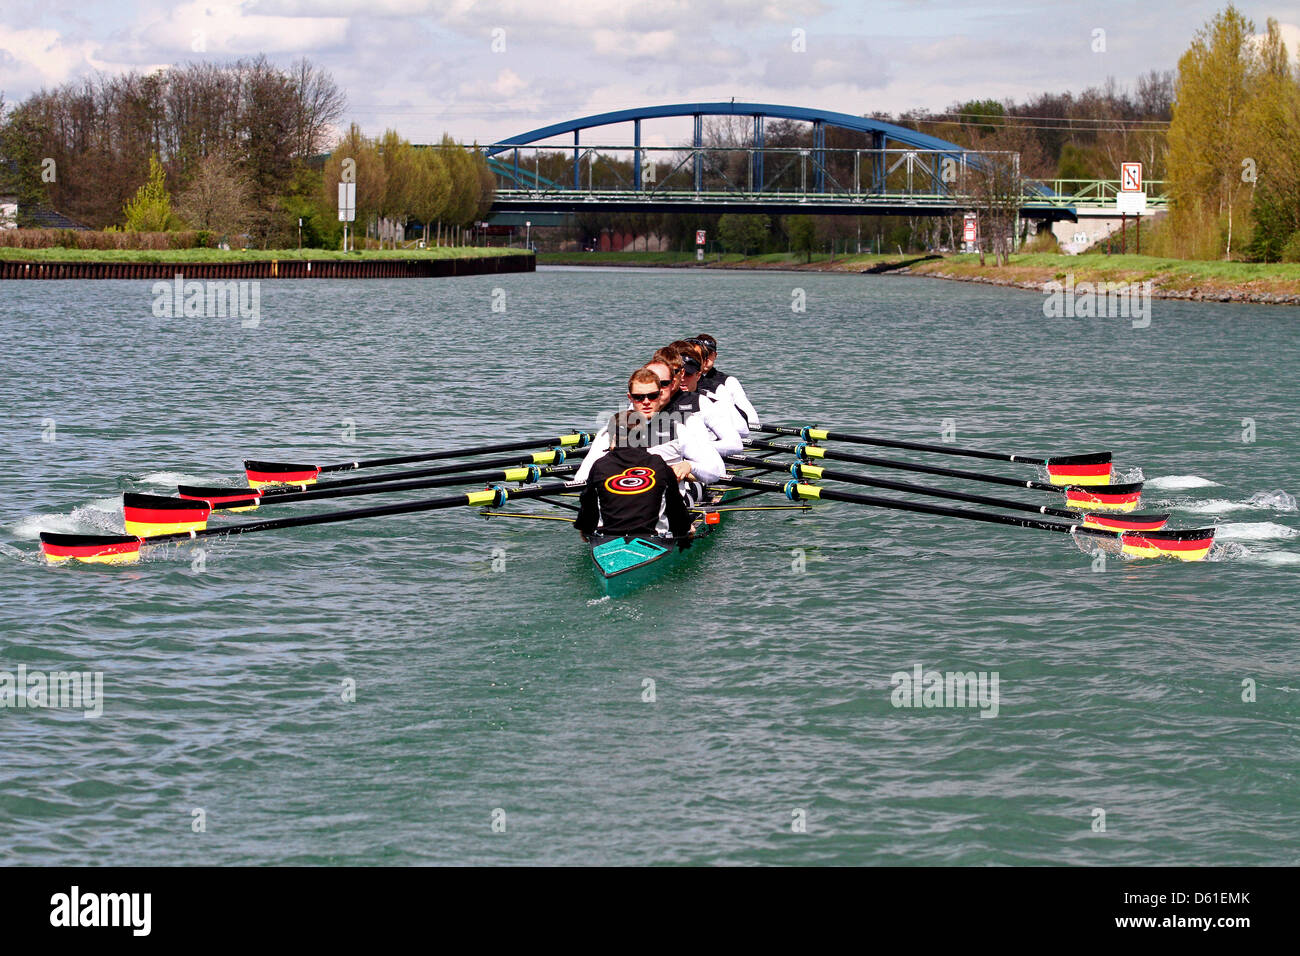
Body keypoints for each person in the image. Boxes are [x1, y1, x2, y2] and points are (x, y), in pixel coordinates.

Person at [573, 367, 724, 505]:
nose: (646, 402)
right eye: (639, 397)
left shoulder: (678, 430)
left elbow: (716, 471)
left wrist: (689, 466)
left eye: (652, 396)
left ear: (660, 395)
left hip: (668, 507)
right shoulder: (610, 433)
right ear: (630, 398)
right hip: (620, 505)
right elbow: (581, 479)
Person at [573, 409, 694, 549]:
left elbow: (588, 503)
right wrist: (684, 530)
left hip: (608, 539)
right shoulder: (658, 464)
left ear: (613, 438)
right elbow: (675, 504)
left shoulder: (600, 465)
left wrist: (585, 529)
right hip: (652, 539)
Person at [656, 340, 743, 456]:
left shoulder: (704, 401)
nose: (682, 379)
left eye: (688, 374)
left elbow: (736, 443)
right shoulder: (644, 398)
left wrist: (689, 446)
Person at [692, 334, 761, 434]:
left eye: (709, 353)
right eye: (701, 354)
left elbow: (752, 420)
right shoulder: (682, 383)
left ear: (715, 355)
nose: (705, 358)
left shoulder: (728, 382)